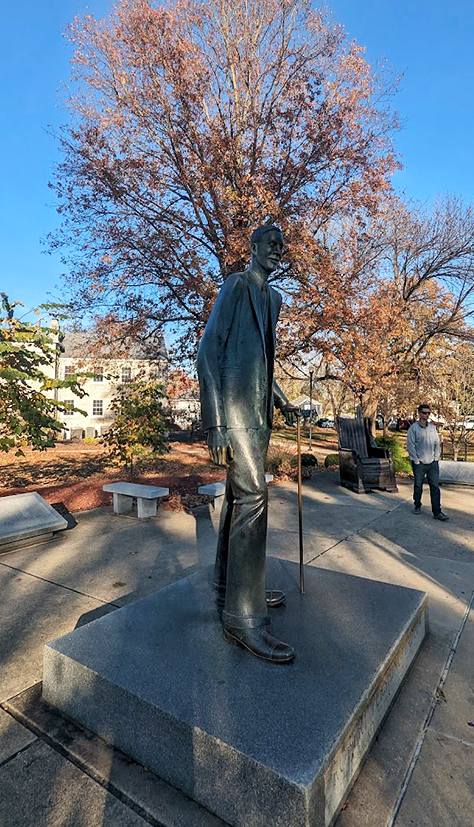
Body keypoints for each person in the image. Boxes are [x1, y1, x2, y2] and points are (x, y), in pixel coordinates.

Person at [197, 224, 300, 664]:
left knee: (241, 497)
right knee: (255, 497)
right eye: (270, 244)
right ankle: (243, 617)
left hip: (259, 415)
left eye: (282, 246)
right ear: (253, 248)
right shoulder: (236, 285)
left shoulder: (273, 299)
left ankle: (232, 586)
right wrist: (216, 424)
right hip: (233, 412)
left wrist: (283, 401)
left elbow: (263, 364)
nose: (277, 250)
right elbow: (208, 352)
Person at [406, 404, 449, 521]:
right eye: (424, 413)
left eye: (428, 413)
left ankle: (437, 512)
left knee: (435, 486)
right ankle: (417, 505)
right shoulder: (413, 429)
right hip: (419, 463)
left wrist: (436, 458)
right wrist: (416, 460)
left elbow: (437, 443)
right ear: (419, 413)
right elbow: (410, 446)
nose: (426, 415)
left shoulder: (432, 428)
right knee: (418, 485)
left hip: (432, 463)